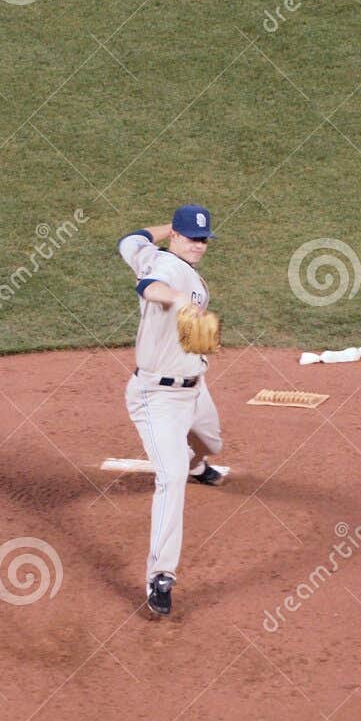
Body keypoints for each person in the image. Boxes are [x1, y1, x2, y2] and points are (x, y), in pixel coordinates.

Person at [116, 204, 226, 617]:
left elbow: (129, 238)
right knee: (171, 475)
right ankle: (160, 576)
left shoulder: (150, 251)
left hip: (195, 389)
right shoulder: (167, 270)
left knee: (211, 443)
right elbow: (149, 288)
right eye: (191, 238)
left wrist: (167, 229)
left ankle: (199, 464)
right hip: (157, 398)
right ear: (177, 238)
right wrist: (178, 297)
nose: (199, 246)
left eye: (204, 239)